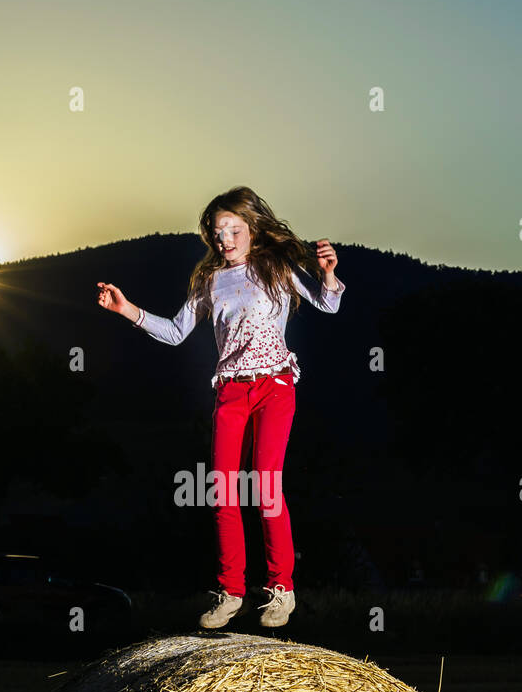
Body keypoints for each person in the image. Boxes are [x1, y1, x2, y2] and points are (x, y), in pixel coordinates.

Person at [97, 186, 346, 630]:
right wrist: (127, 309)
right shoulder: (210, 281)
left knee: (266, 484)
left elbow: (328, 303)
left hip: (274, 386)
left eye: (233, 229)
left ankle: (280, 589)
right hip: (230, 391)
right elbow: (175, 332)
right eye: (217, 232)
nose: (225, 239)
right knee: (223, 491)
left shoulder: (278, 268)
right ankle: (230, 591)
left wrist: (327, 274)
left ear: (252, 229)